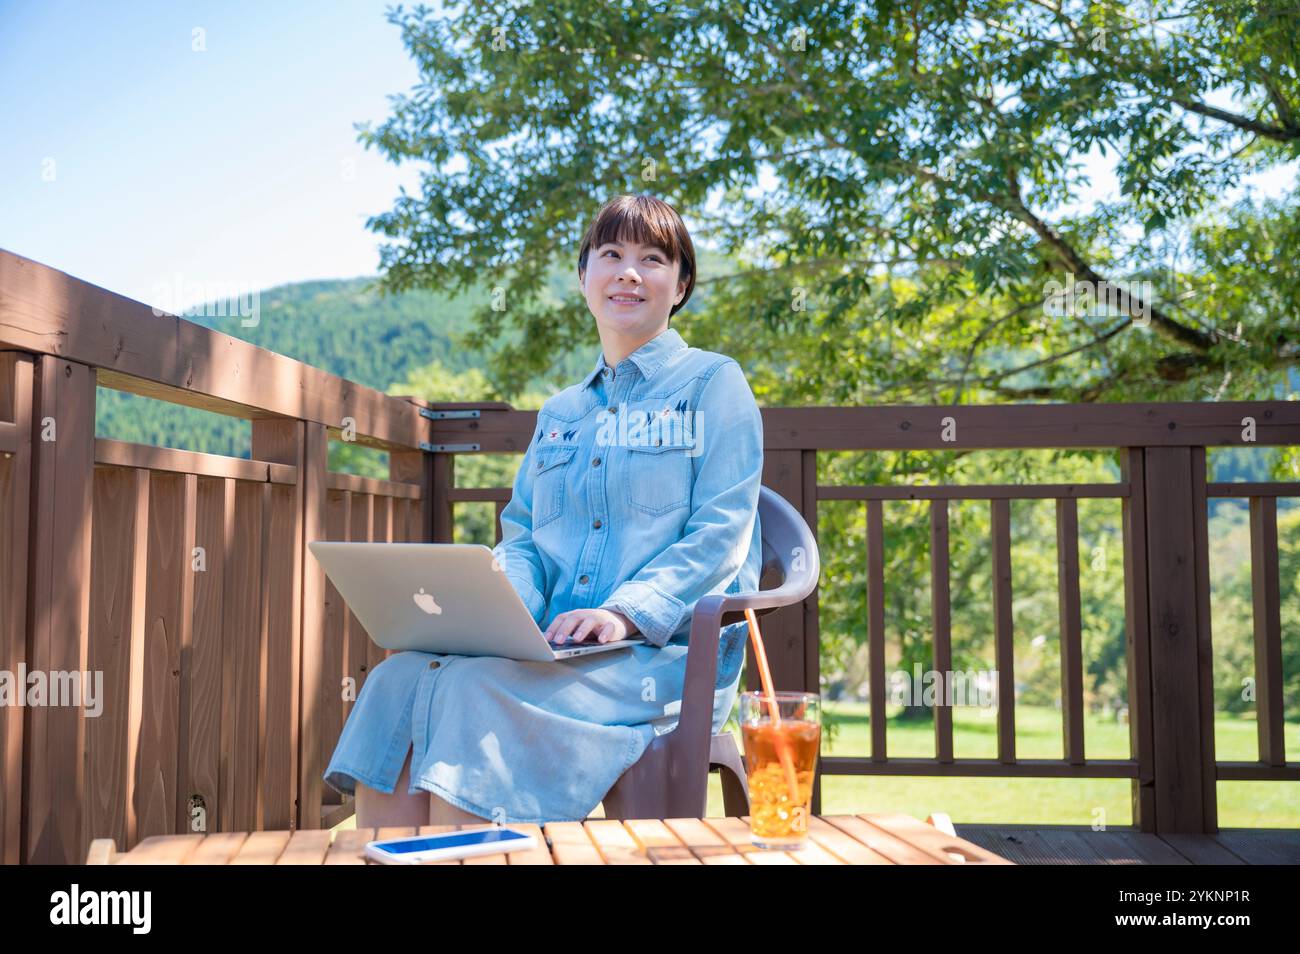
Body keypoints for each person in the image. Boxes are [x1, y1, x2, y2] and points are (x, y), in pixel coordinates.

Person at [322, 193, 765, 827]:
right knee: (401, 678)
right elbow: (524, 536)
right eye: (610, 254)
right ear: (584, 276)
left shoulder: (714, 384)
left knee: (473, 692)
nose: (629, 272)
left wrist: (622, 615)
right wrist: (499, 609)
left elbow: (724, 533)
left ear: (682, 283)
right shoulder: (561, 413)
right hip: (553, 650)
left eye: (653, 258)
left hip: (659, 659)